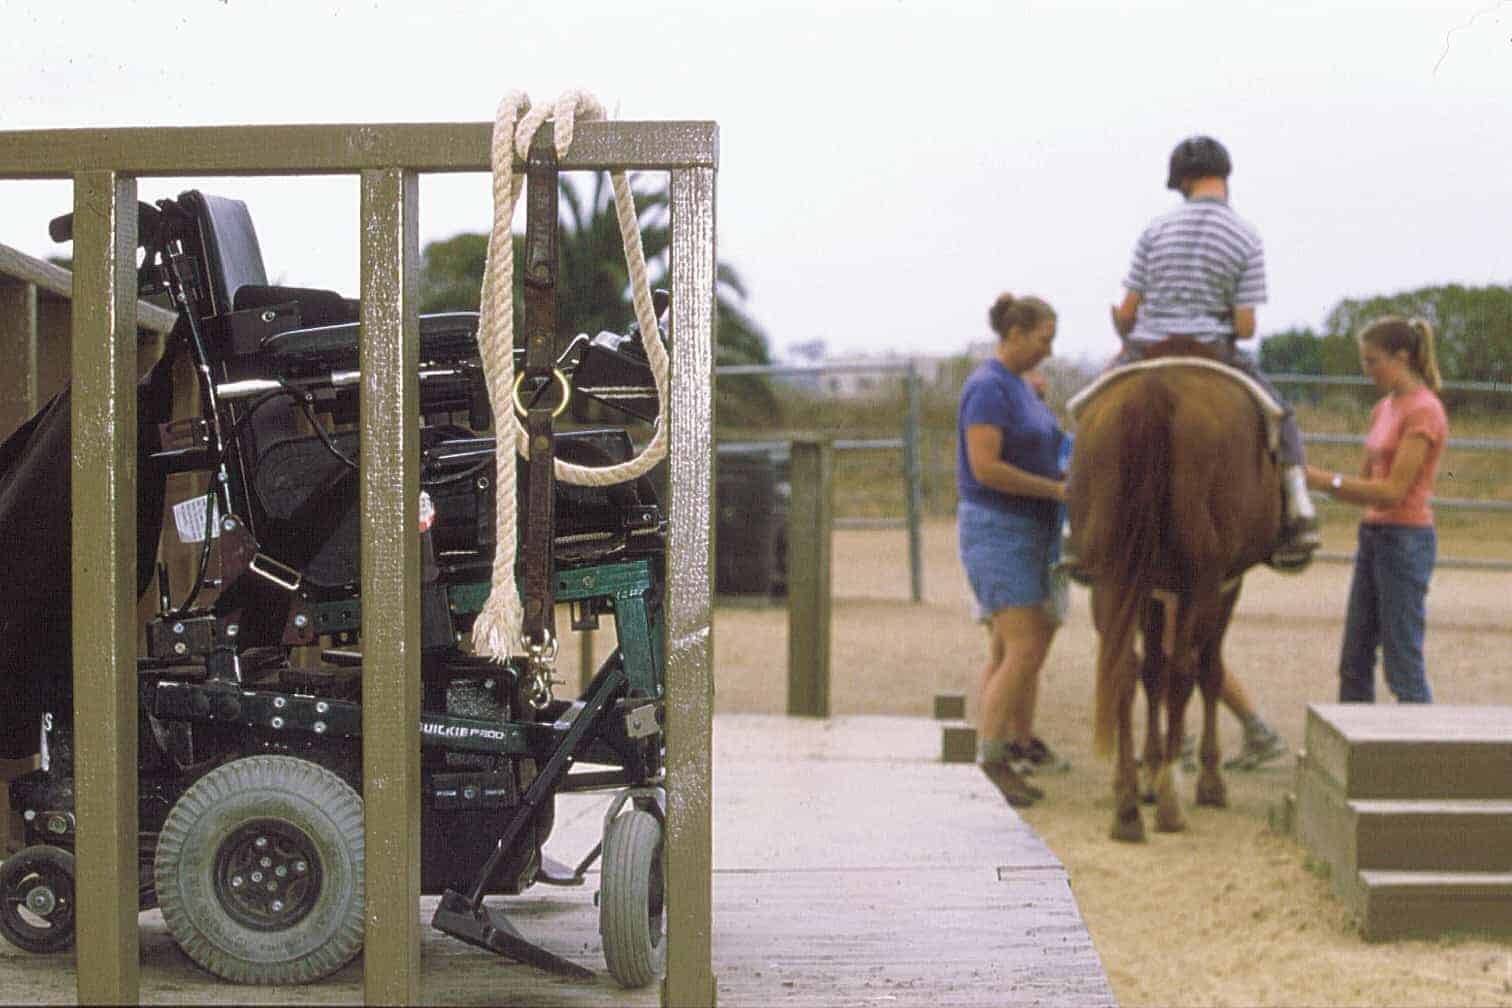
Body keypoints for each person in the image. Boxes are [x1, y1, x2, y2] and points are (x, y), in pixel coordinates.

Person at [1109, 135, 1319, 569]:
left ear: (1183, 182)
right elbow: (1244, 326)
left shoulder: (1154, 229)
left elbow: (1128, 311)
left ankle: (1076, 513)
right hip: (1214, 351)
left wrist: (1125, 327)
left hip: (1149, 346)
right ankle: (1298, 510)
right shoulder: (1246, 236)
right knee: (1281, 416)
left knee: (1090, 407)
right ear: (1223, 178)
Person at [958, 293, 1070, 807]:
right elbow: (986, 467)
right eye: (1043, 339)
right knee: (1022, 646)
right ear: (1017, 333)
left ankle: (1005, 743)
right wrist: (1055, 490)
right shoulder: (987, 389)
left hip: (1029, 531)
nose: (1047, 350)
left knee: (1015, 648)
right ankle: (992, 756)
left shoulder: (1020, 388)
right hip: (999, 529)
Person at [1305, 316, 1448, 703]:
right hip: (1374, 536)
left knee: (1402, 665)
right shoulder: (1384, 408)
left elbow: (1392, 491)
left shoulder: (1424, 411)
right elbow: (1365, 482)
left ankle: (1422, 753)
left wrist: (1320, 481)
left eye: (1373, 361)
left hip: (1405, 540)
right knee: (1354, 660)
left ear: (1401, 357)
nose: (1367, 370)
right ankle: (1357, 751)